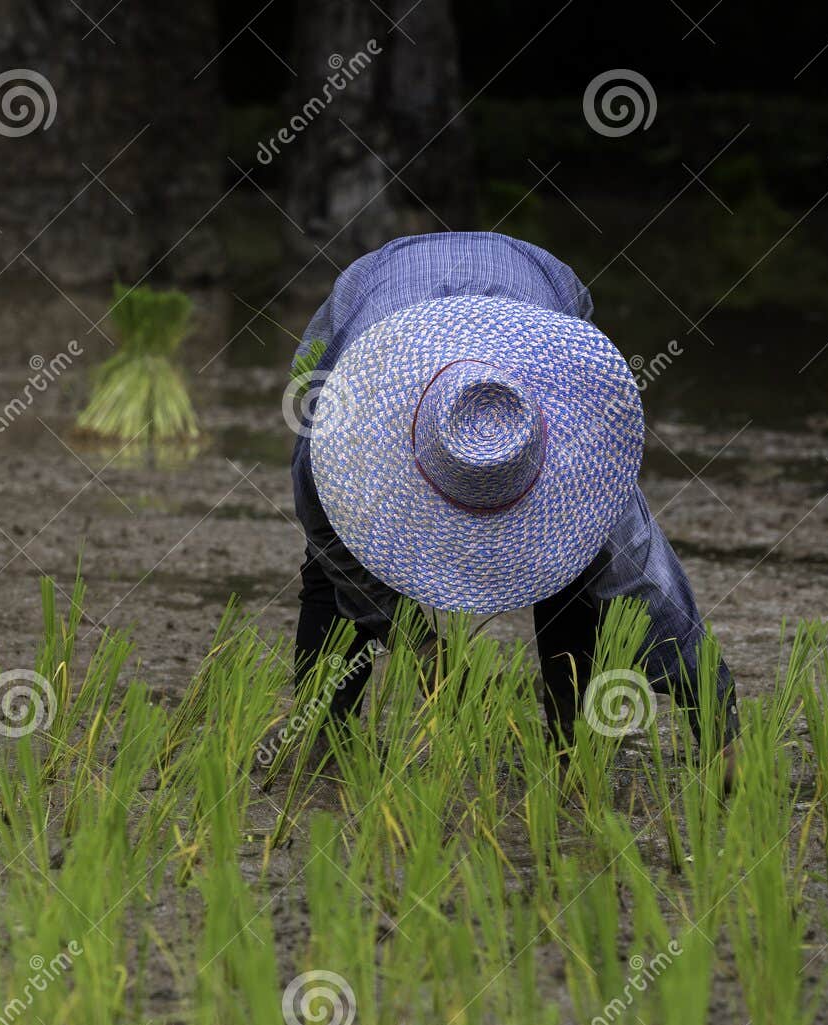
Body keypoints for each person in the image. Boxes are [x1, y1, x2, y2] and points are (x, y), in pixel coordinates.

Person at [291, 231, 738, 755]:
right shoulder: (344, 431)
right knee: (331, 567)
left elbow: (644, 584)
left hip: (534, 275)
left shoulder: (581, 456)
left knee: (574, 557)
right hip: (378, 284)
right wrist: (419, 644)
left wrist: (718, 722)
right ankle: (322, 739)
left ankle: (573, 737)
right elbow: (335, 551)